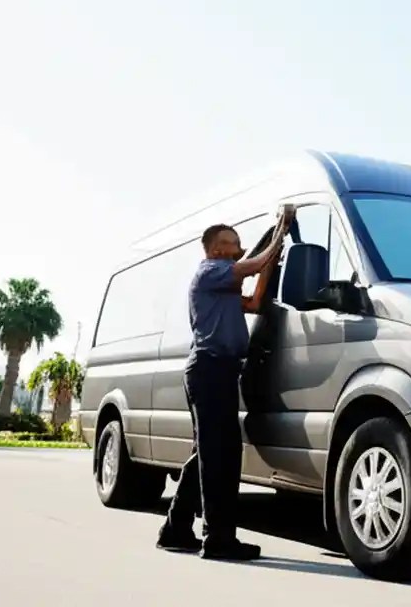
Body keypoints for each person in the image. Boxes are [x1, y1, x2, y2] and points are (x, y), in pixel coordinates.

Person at [156, 206, 294, 560]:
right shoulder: (209, 271)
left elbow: (257, 300)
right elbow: (253, 265)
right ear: (217, 248)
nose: (238, 246)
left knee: (209, 451)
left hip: (219, 372)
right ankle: (217, 538)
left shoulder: (225, 287)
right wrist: (280, 230)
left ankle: (175, 529)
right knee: (220, 455)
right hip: (210, 369)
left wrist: (274, 252)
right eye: (232, 242)